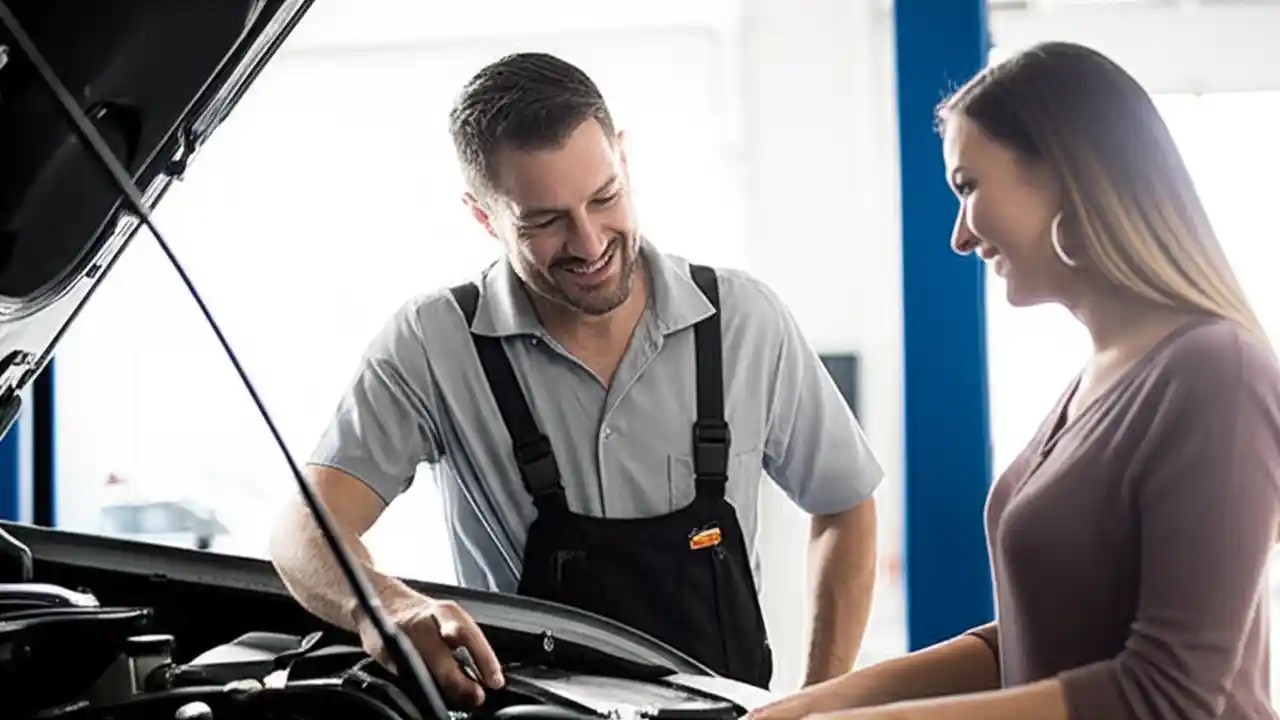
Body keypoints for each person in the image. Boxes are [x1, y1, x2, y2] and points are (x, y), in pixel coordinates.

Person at [268, 51, 883, 708]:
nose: (589, 244)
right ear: (483, 216)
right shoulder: (433, 344)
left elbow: (844, 504)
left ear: (623, 156)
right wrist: (385, 610)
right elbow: (303, 529)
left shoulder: (743, 322)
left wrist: (822, 701)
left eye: (605, 198)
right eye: (545, 221)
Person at [749, 40, 1280, 720]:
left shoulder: (1216, 375)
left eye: (968, 187)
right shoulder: (1099, 378)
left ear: (1065, 174)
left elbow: (1167, 693)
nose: (960, 237)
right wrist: (814, 704)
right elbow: (1038, 639)